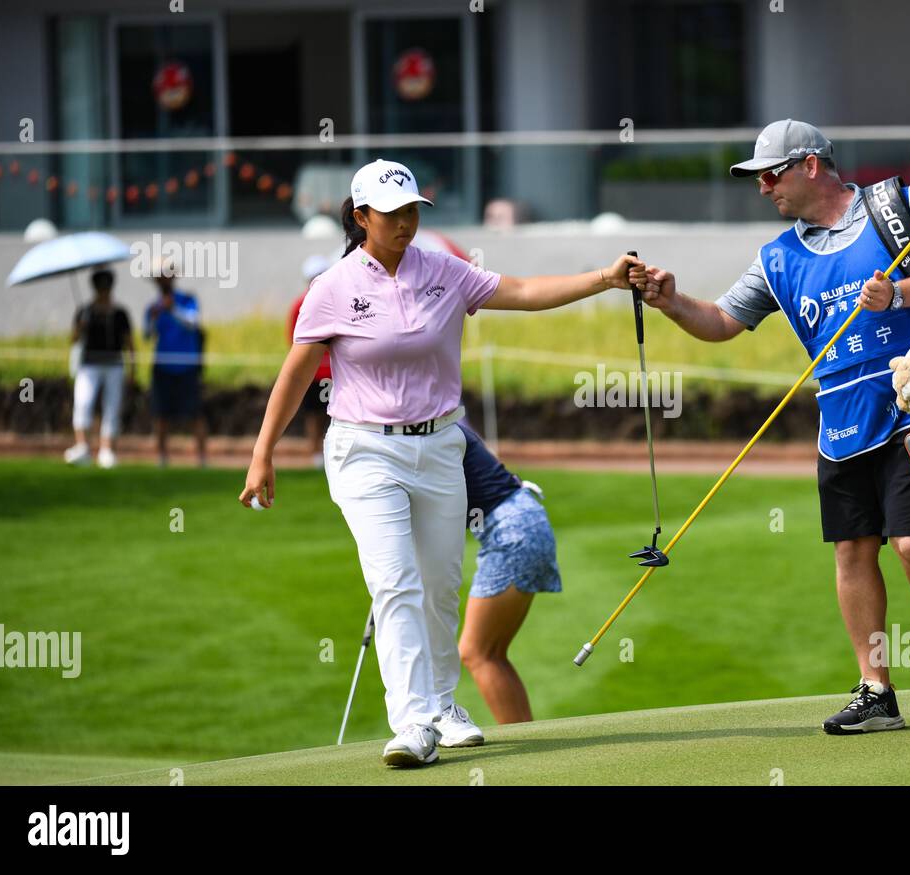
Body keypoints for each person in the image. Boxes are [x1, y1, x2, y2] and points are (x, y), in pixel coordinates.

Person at [239, 158, 644, 768]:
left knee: (439, 586)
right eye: (392, 212)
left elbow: (526, 293)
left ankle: (441, 704)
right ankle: (412, 725)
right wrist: (261, 454)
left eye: (411, 210)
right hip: (365, 450)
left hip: (441, 447)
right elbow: (295, 375)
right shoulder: (334, 287)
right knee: (395, 581)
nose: (405, 222)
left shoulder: (444, 270)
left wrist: (605, 279)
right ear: (360, 217)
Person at [633, 120, 910, 733]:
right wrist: (670, 301)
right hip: (840, 426)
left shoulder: (895, 206)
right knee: (852, 552)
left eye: (769, 174)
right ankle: (876, 690)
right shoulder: (776, 258)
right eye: (756, 179)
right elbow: (722, 320)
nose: (762, 188)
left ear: (809, 166)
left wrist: (899, 294)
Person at [457, 422, 561, 724]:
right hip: (527, 522)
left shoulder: (436, 432)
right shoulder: (445, 424)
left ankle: (523, 741)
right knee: (491, 652)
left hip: (511, 534)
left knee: (476, 652)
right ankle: (526, 733)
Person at [64, 268, 135, 469]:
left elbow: (129, 343)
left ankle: (107, 450)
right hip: (89, 365)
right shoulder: (84, 312)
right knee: (83, 403)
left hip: (114, 365)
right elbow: (73, 340)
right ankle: (82, 447)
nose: (103, 290)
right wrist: (81, 326)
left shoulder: (120, 313)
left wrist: (132, 370)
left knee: (111, 407)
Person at [144, 260, 207, 467]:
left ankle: (201, 459)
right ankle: (162, 458)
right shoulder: (152, 307)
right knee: (160, 414)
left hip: (187, 366)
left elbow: (193, 323)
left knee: (195, 414)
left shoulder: (188, 300)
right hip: (163, 366)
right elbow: (147, 336)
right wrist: (153, 319)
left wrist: (173, 310)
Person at [287, 254, 336, 469]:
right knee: (313, 413)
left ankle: (331, 452)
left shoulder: (338, 302)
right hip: (313, 373)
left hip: (336, 372)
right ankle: (315, 453)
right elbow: (295, 341)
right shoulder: (300, 305)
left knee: (334, 414)